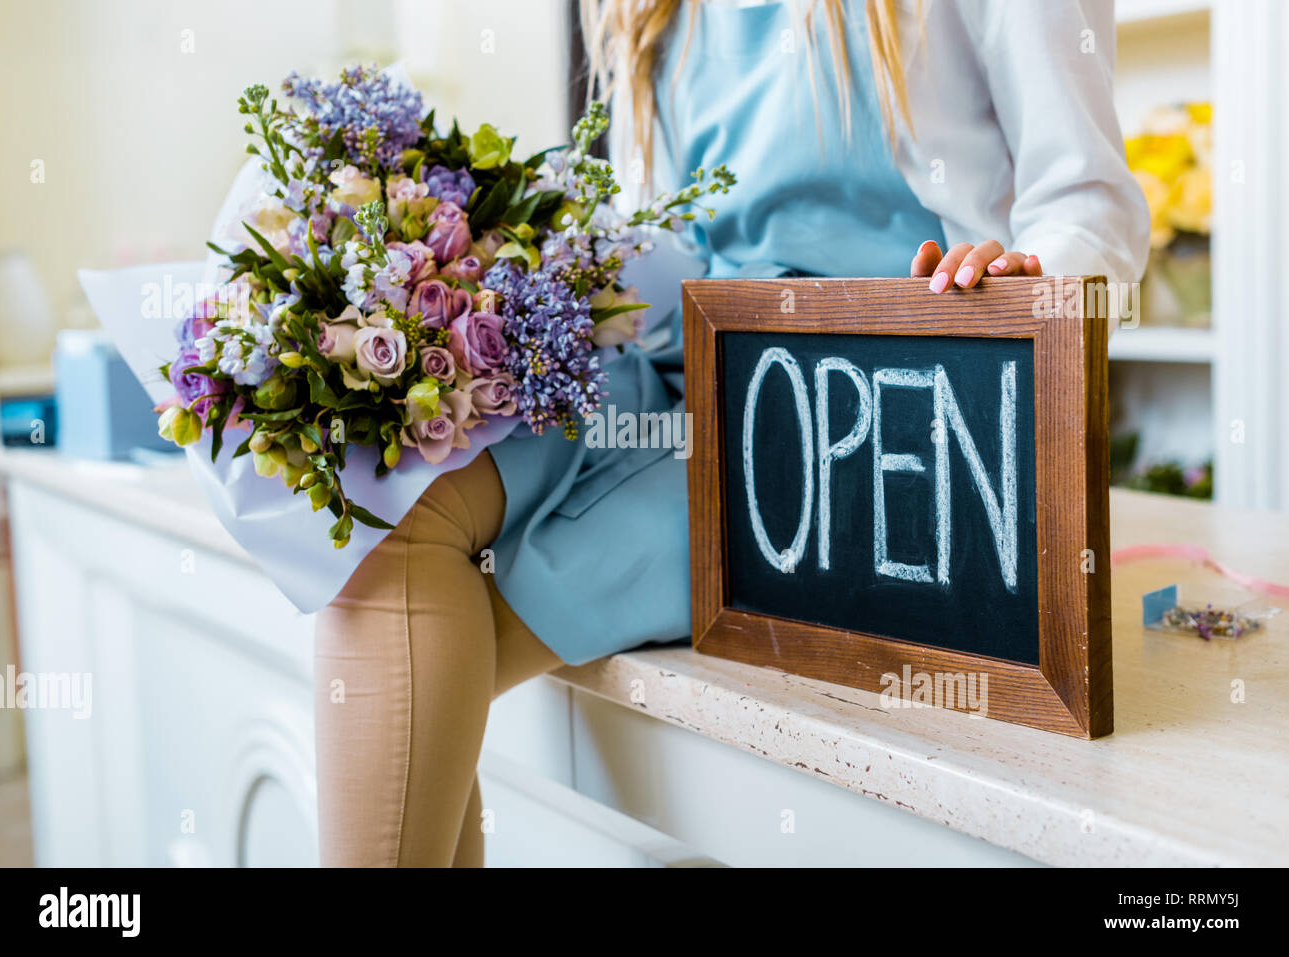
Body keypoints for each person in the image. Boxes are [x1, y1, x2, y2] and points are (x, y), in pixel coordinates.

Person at [313, 0, 1149, 866]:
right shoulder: (645, 13)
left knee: (421, 661)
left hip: (862, 430)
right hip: (679, 376)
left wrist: (1029, 277)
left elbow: (1093, 203)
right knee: (391, 519)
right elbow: (670, 239)